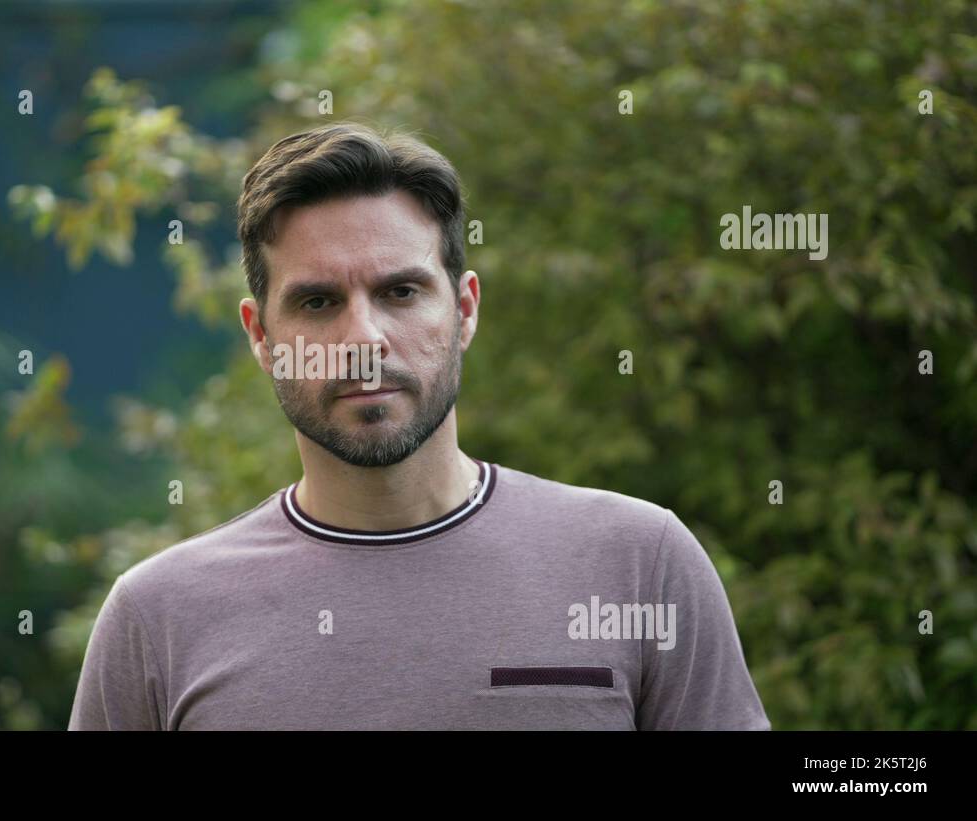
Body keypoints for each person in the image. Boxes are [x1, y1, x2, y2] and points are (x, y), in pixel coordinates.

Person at [69, 121, 770, 730]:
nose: (363, 337)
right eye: (317, 302)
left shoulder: (639, 563)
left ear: (464, 310)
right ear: (261, 336)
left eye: (400, 291)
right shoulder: (157, 617)